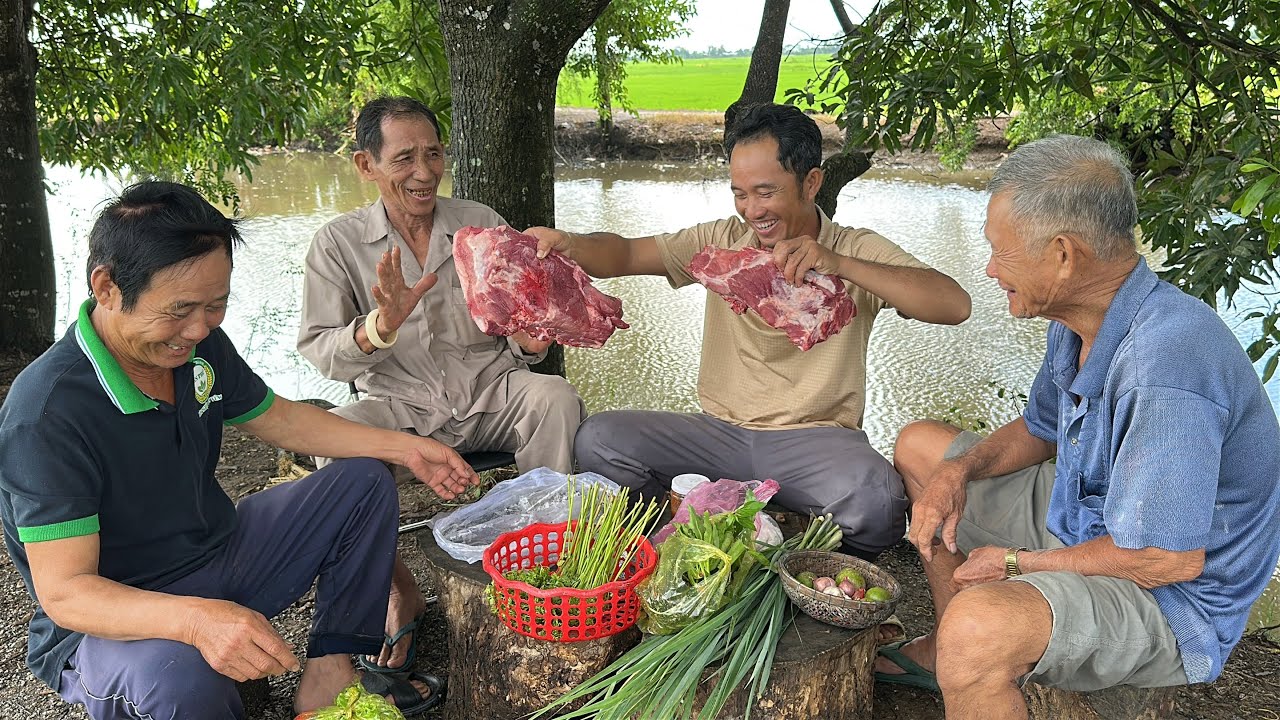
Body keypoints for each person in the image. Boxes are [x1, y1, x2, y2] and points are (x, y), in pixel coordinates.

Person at [0, 181, 479, 719]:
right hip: (115, 618)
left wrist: (406, 447)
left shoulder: (197, 345)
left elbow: (280, 418)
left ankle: (329, 674)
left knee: (363, 482)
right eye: (180, 309)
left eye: (217, 305)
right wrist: (196, 620)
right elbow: (67, 593)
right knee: (178, 681)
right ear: (107, 287)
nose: (198, 328)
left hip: (216, 552)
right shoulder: (46, 414)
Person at [876, 134, 1280, 718]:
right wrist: (957, 471)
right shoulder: (1080, 320)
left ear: (1064, 255)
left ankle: (965, 656)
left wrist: (1015, 563)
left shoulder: (1164, 366)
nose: (989, 270)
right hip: (1089, 518)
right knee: (922, 449)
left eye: (1000, 252)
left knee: (978, 629)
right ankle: (945, 653)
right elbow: (1040, 428)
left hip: (1171, 598)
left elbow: (1167, 560)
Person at [528, 102, 971, 563]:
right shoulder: (721, 241)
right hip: (716, 435)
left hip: (815, 441)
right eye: (739, 194)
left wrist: (839, 264)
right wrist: (571, 244)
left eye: (765, 192)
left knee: (878, 501)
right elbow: (624, 254)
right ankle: (679, 542)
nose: (751, 210)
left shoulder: (854, 248)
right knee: (599, 439)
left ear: (811, 182)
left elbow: (954, 305)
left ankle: (811, 570)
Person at [297, 96, 586, 672]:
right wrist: (379, 328)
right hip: (399, 408)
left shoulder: (480, 225)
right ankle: (397, 589)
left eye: (433, 154)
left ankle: (546, 559)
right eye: (404, 158)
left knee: (554, 396)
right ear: (366, 165)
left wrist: (530, 340)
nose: (424, 172)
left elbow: (517, 326)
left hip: (490, 394)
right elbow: (321, 353)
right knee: (336, 444)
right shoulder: (336, 244)